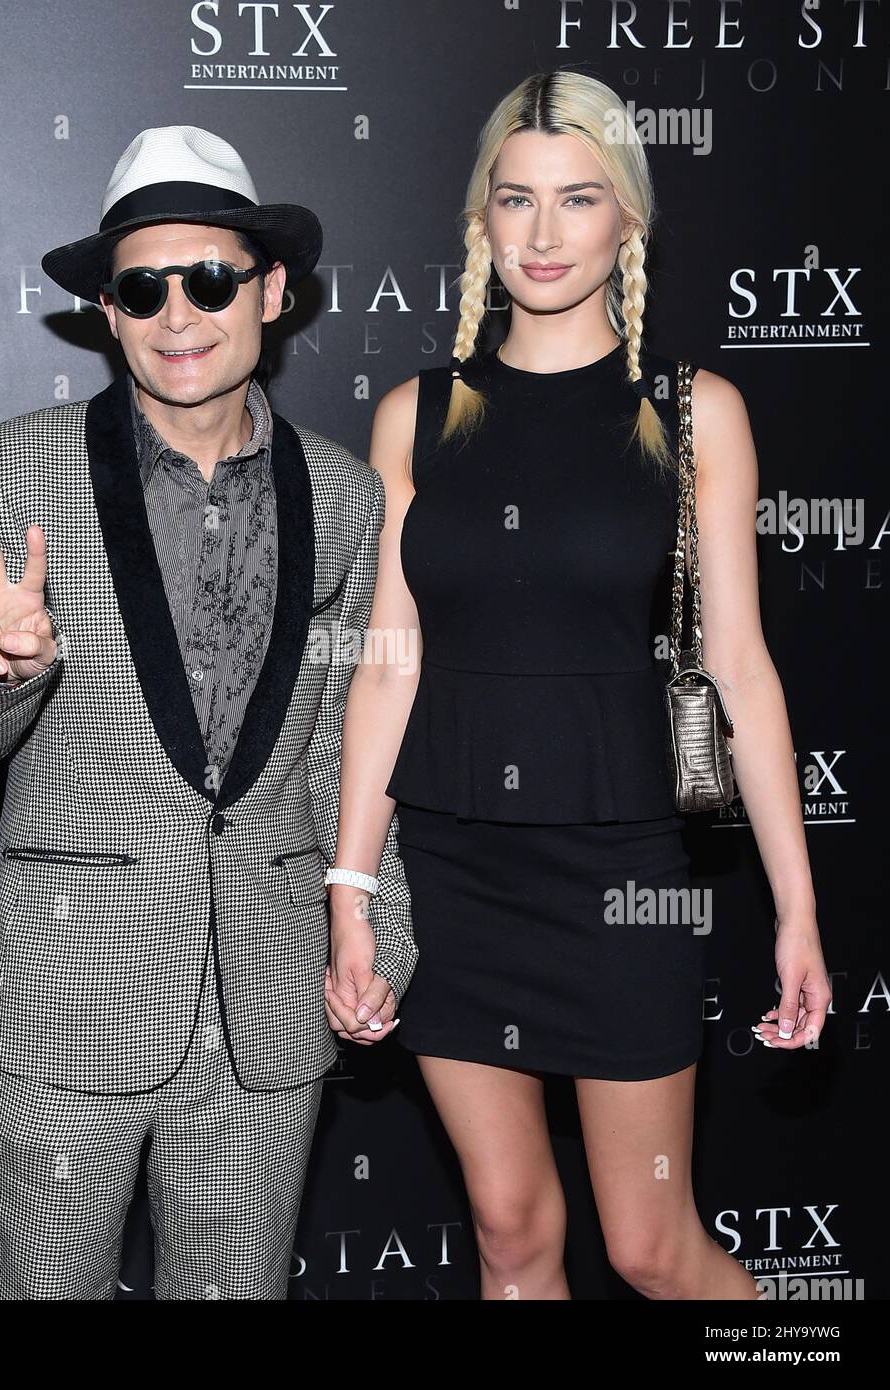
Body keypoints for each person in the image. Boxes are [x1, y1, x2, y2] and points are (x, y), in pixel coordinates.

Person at [324, 70, 832, 1300]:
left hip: (621, 883)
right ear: (479, 222)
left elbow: (739, 666)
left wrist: (796, 908)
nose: (542, 235)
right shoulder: (418, 415)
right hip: (448, 876)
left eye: (577, 200)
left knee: (650, 1248)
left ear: (627, 223)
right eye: (515, 200)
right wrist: (349, 888)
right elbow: (388, 659)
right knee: (505, 1231)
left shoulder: (693, 412)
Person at [0, 124, 416, 1300]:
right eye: (140, 287)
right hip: (65, 1006)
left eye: (210, 278)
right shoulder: (4, 476)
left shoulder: (346, 496)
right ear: (105, 307)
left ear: (273, 290)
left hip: (269, 1010)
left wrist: (380, 934)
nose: (177, 313)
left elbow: (358, 742)